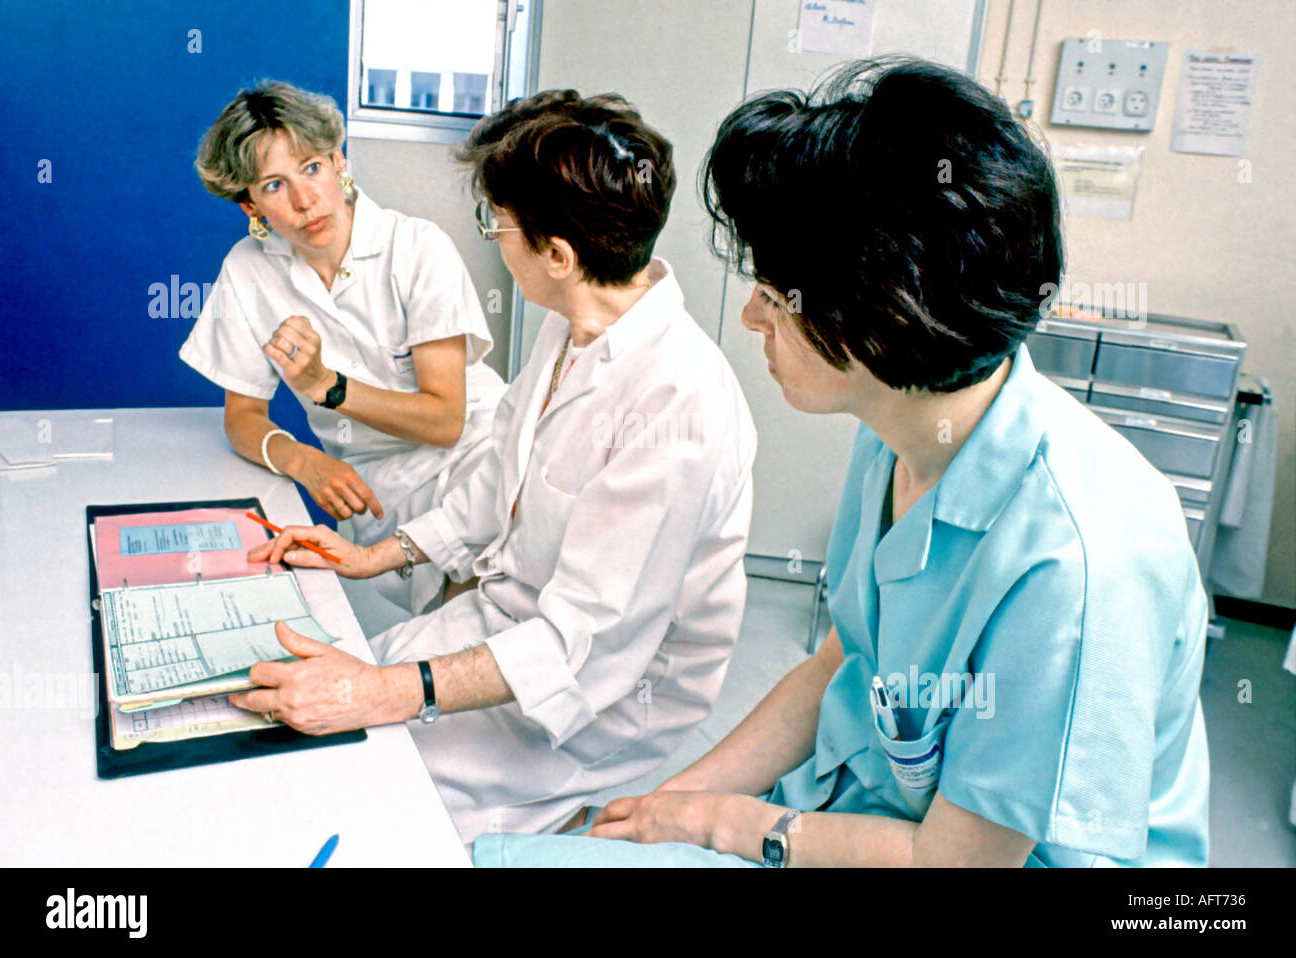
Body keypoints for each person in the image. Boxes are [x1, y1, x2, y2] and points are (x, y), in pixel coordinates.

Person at [470, 57, 1211, 867]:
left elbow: (958, 860)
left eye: (774, 293)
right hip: (855, 810)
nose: (752, 315)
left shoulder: (1078, 564)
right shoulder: (900, 427)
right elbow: (841, 663)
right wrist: (669, 805)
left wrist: (723, 826)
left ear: (882, 311)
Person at [231, 90, 758, 846]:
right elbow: (494, 488)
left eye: (497, 223)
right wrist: (373, 555)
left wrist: (382, 692)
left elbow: (578, 646)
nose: (491, 239)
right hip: (512, 621)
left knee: (367, 779)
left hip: (593, 696)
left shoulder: (677, 404)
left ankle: (553, 824)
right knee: (319, 697)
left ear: (556, 255)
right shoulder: (569, 328)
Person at [180, 81, 506, 613]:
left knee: (497, 596)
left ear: (339, 161)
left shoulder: (417, 248)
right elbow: (242, 416)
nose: (305, 201)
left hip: (480, 447)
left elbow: (447, 420)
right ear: (249, 204)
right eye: (274, 185)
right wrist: (304, 461)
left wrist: (327, 388)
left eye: (311, 168)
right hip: (376, 480)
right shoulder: (247, 270)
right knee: (457, 620)